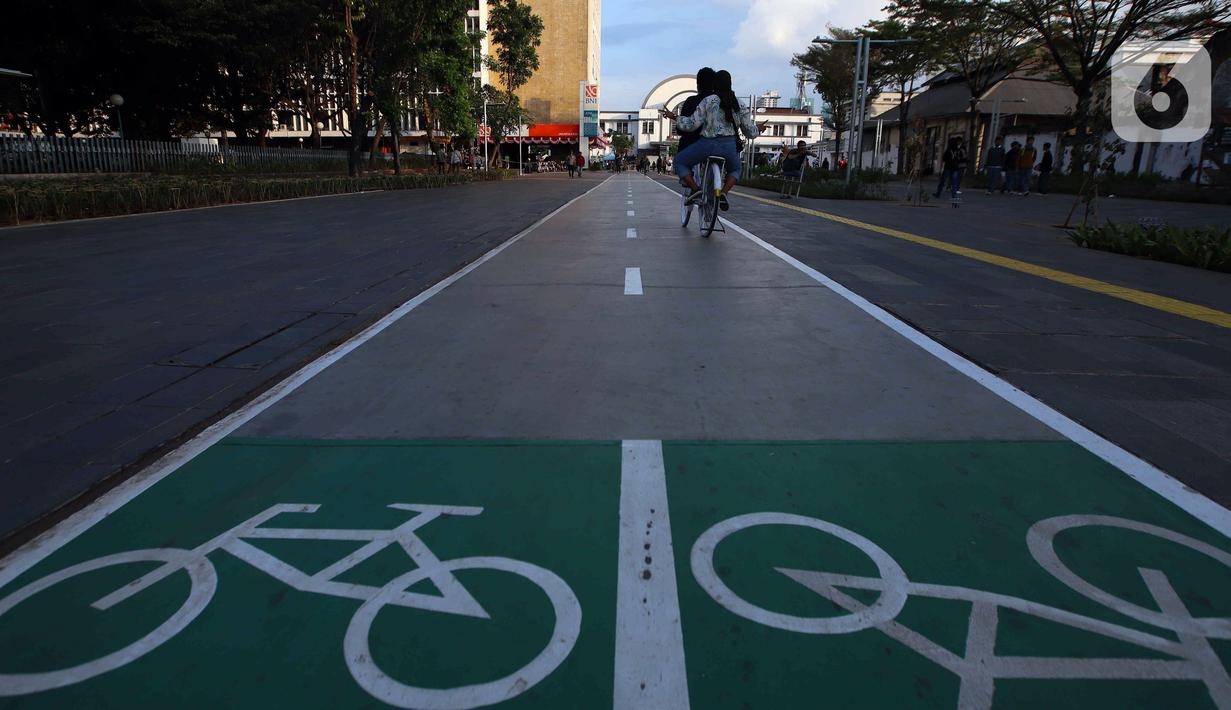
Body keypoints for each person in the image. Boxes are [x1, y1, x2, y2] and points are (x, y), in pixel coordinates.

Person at [661, 70, 762, 211]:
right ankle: (724, 193)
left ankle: (696, 189)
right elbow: (749, 132)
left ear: (715, 84)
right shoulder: (739, 104)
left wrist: (675, 118)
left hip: (706, 145)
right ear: (730, 84)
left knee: (679, 161)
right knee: (736, 168)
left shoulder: (709, 101)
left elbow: (691, 124)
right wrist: (758, 128)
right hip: (729, 147)